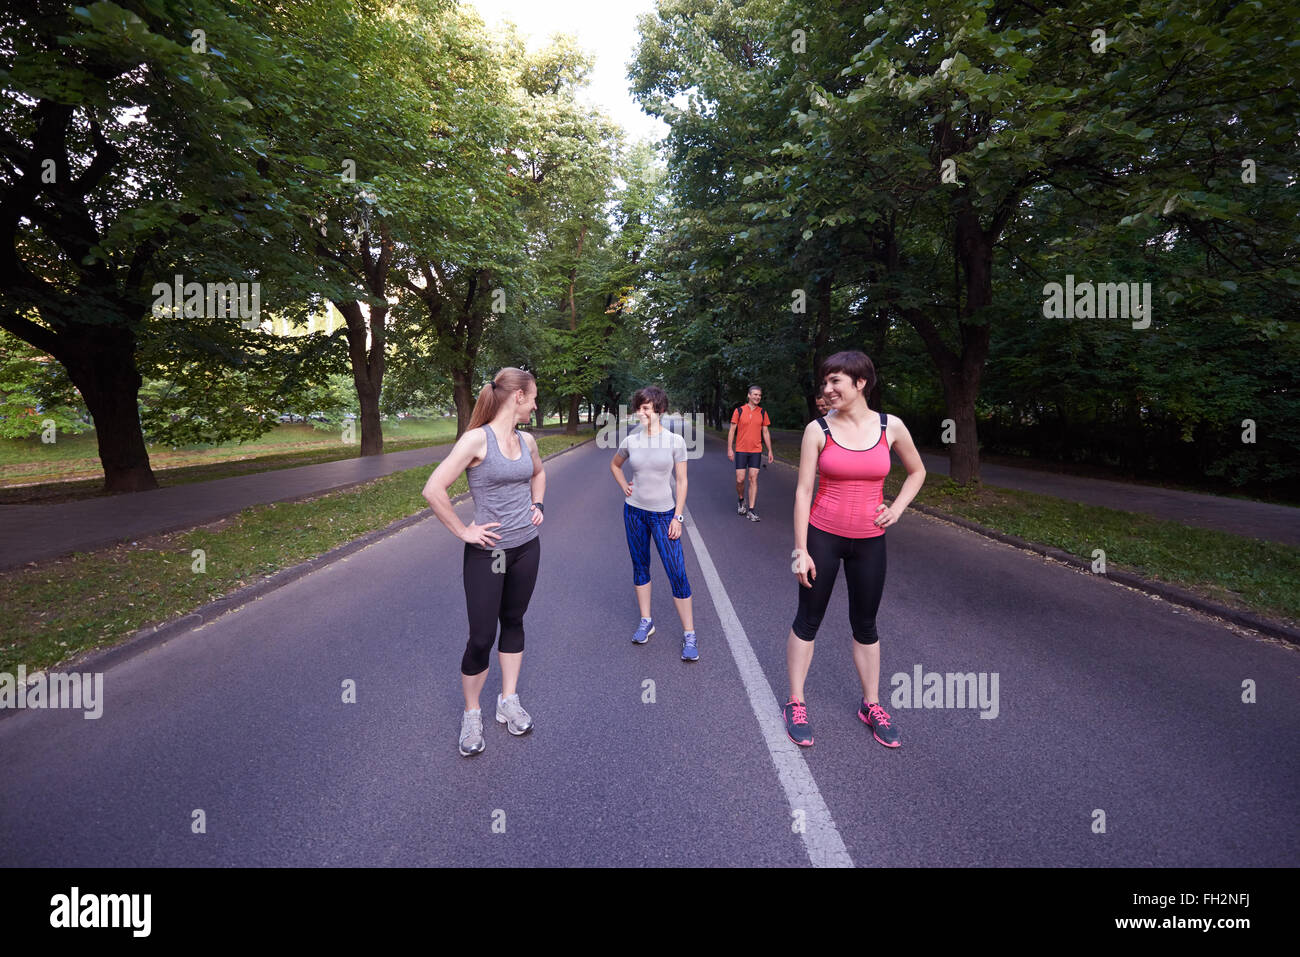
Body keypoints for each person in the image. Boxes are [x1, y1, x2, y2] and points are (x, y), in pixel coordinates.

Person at [783, 351, 926, 750]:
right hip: (822, 536)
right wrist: (801, 549)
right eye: (825, 383)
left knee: (866, 624)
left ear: (860, 383)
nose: (827, 390)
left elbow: (918, 471)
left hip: (869, 541)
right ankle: (796, 702)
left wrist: (896, 509)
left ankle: (872, 704)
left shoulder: (890, 426)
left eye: (835, 382)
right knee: (808, 619)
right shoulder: (818, 430)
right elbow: (803, 492)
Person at [421, 367, 546, 757]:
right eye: (534, 396)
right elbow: (433, 488)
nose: (537, 404)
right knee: (480, 637)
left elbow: (539, 475)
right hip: (488, 553)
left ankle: (507, 701)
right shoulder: (477, 440)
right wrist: (464, 531)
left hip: (527, 546)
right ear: (518, 396)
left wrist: (537, 505)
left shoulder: (528, 441)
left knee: (514, 621)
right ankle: (472, 712)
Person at [610, 387, 698, 660]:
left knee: (677, 572)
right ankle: (646, 621)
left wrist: (678, 517)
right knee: (640, 566)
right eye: (638, 407)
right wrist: (625, 485)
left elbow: (682, 481)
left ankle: (689, 634)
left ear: (659, 410)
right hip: (634, 512)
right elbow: (615, 465)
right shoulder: (632, 440)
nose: (641, 412)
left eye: (646, 408)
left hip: (664, 514)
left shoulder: (674, 442)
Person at [727, 385, 773, 522]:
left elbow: (765, 432)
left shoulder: (763, 412)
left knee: (753, 478)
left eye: (759, 395)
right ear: (749, 395)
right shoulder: (739, 411)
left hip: (756, 451)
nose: (757, 397)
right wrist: (730, 448)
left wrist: (770, 450)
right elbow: (731, 431)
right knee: (740, 479)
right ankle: (741, 500)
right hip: (741, 450)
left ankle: (751, 511)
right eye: (755, 394)